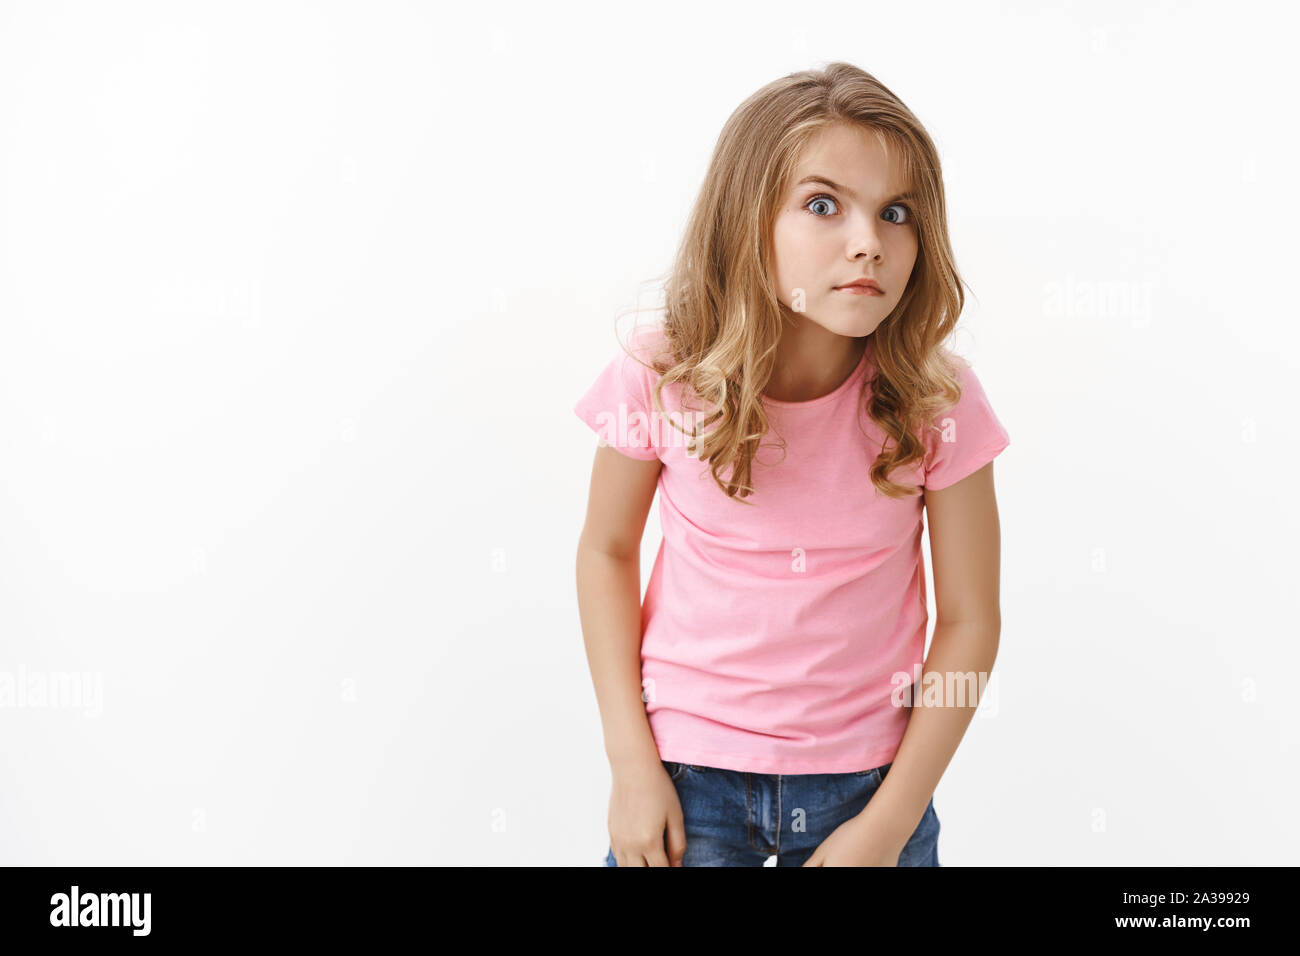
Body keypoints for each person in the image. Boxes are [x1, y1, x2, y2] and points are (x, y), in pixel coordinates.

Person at [573, 62, 1010, 867]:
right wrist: (630, 766)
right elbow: (605, 550)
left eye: (896, 212)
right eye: (822, 205)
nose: (868, 242)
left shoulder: (937, 399)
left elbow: (970, 620)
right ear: (746, 220)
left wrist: (885, 828)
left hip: (872, 787)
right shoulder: (662, 370)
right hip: (686, 776)